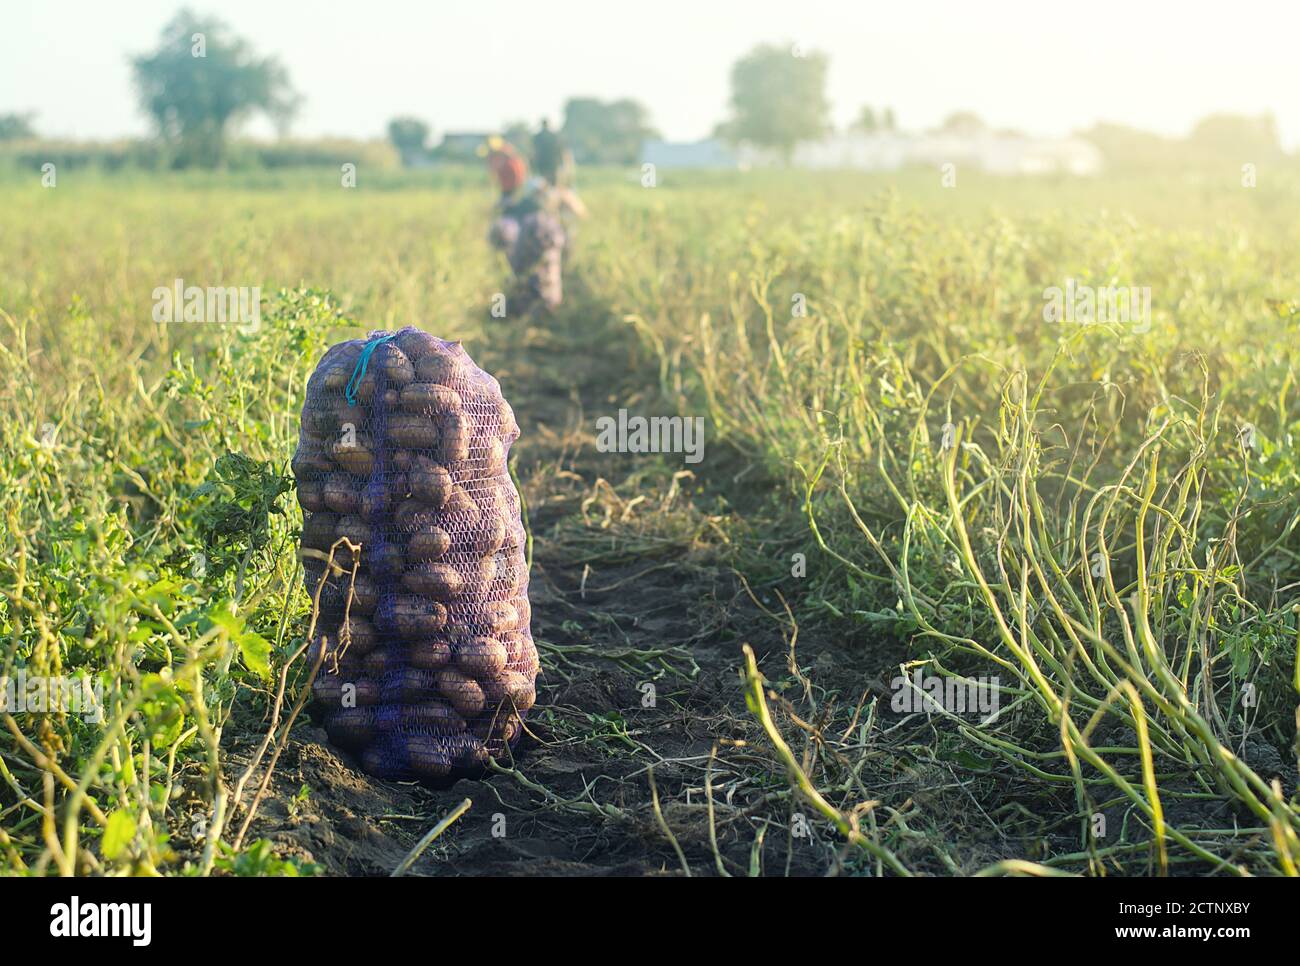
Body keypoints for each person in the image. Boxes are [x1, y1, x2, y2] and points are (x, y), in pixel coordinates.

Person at [531, 119, 563, 187]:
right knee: (553, 182)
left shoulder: (537, 136)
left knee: (543, 182)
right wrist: (560, 160)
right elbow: (559, 149)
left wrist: (533, 164)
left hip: (542, 162)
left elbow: (535, 151)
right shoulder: (554, 136)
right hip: (553, 162)